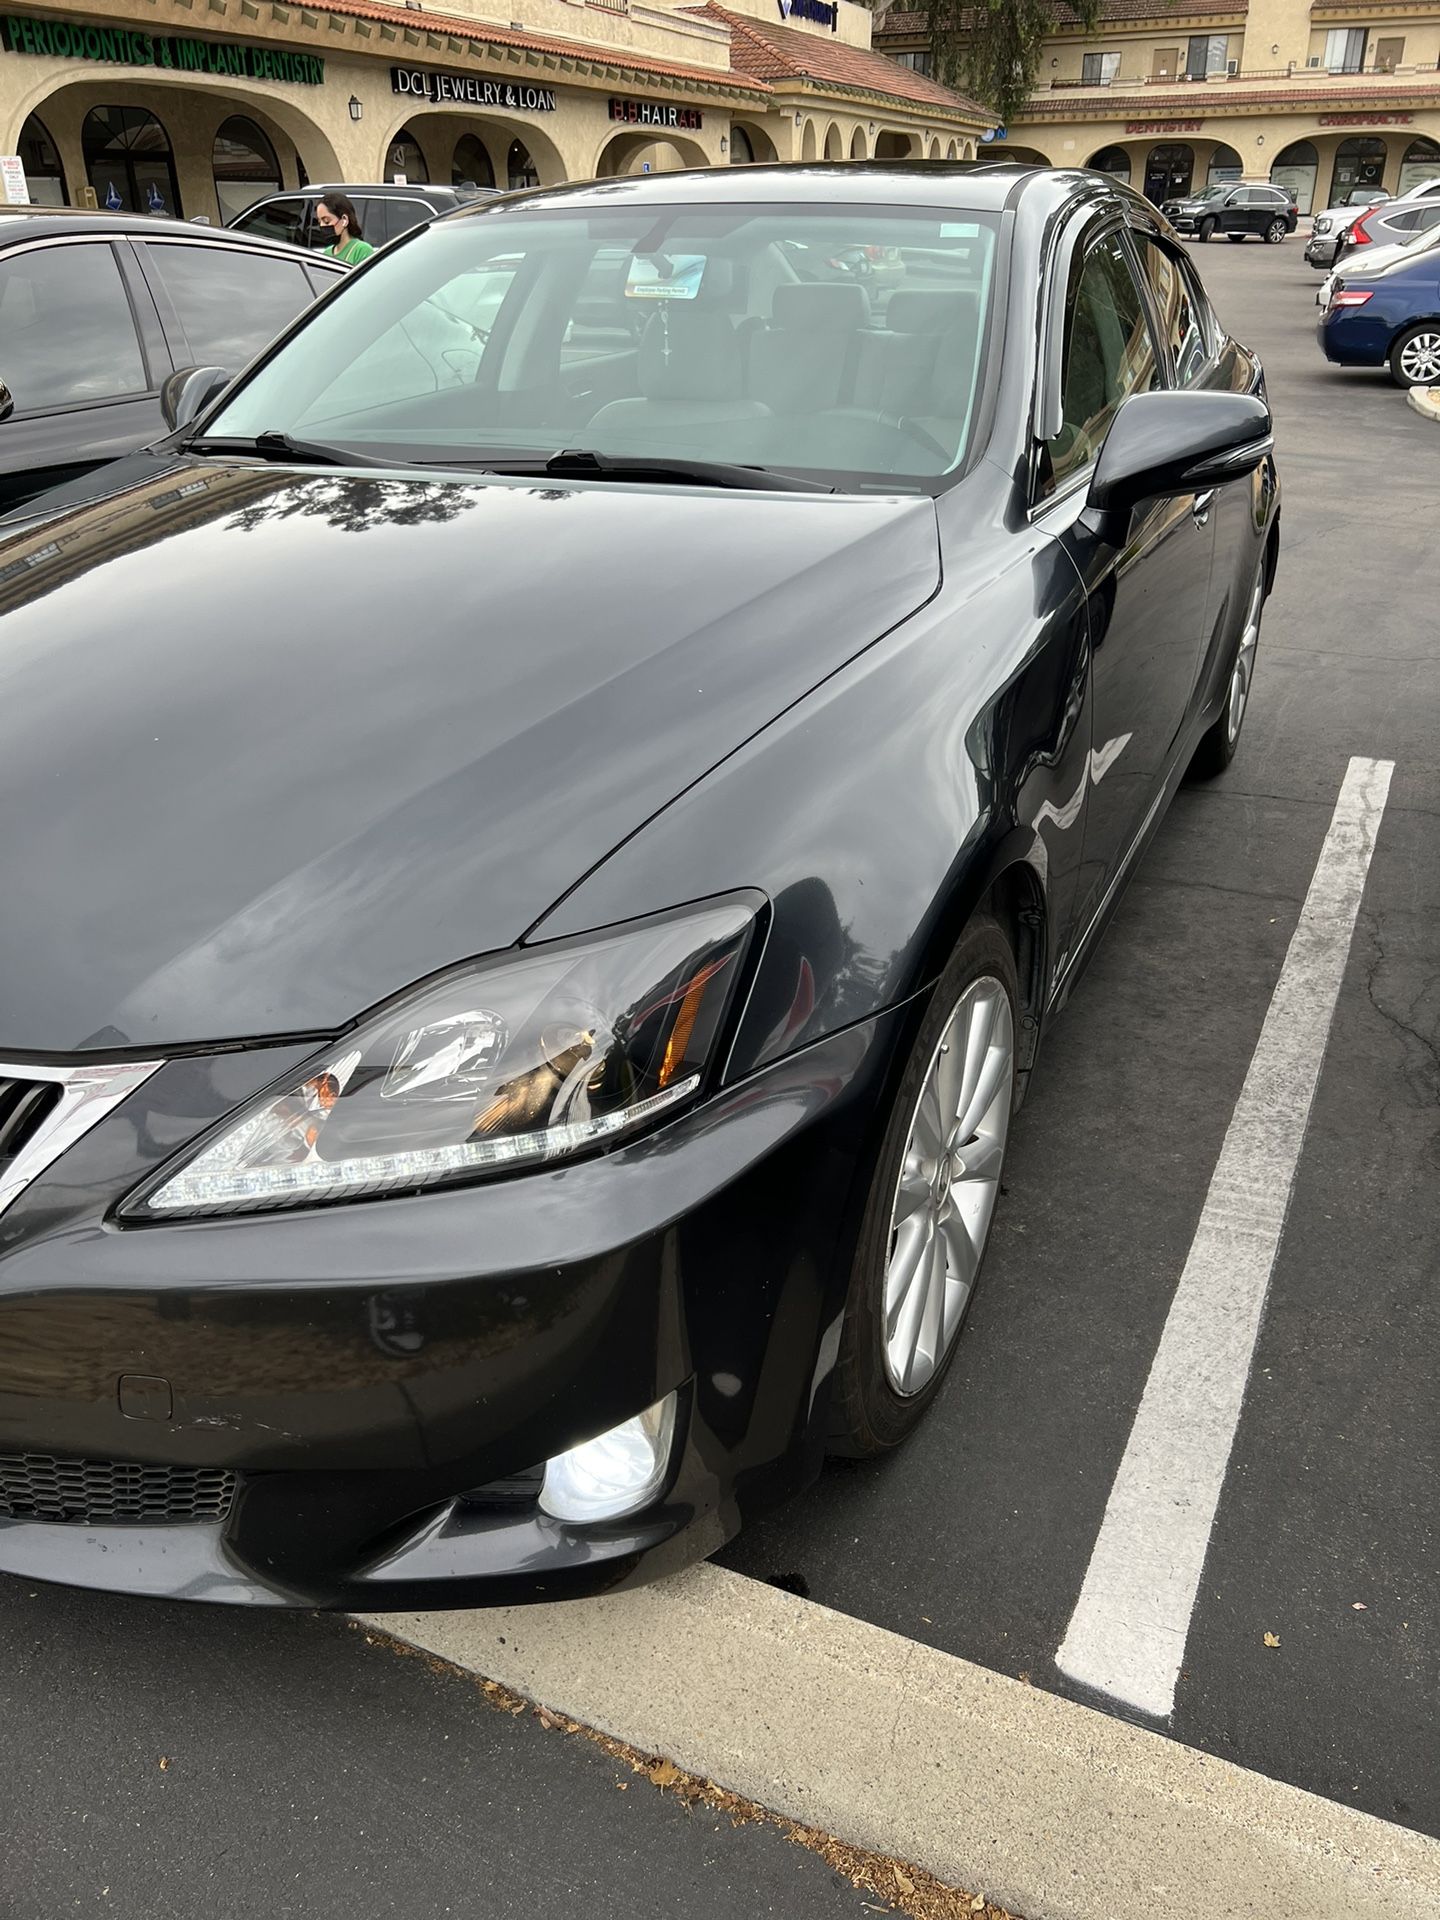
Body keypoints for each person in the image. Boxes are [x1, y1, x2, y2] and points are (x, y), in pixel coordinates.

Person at [315, 194, 376, 267]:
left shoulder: (362, 250)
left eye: (326, 221)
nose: (322, 225)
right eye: (319, 222)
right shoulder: (327, 253)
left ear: (344, 220)